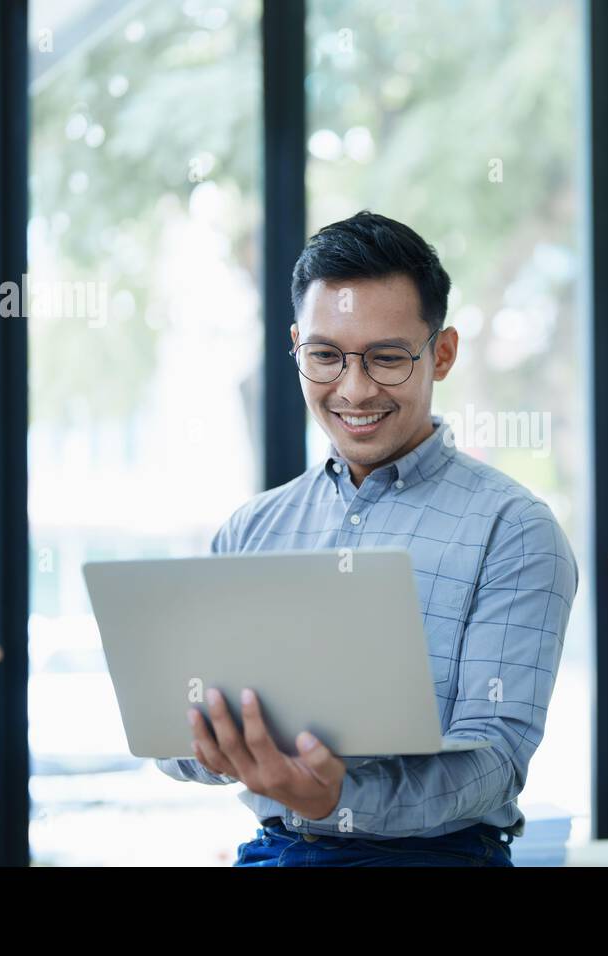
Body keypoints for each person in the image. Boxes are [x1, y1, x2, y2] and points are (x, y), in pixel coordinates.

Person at [156, 211, 578, 867]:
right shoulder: (253, 528)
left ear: (442, 353)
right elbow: (180, 746)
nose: (354, 390)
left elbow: (495, 757)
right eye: (325, 356)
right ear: (296, 346)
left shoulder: (514, 530)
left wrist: (336, 795)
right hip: (277, 851)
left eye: (386, 358)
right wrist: (203, 746)